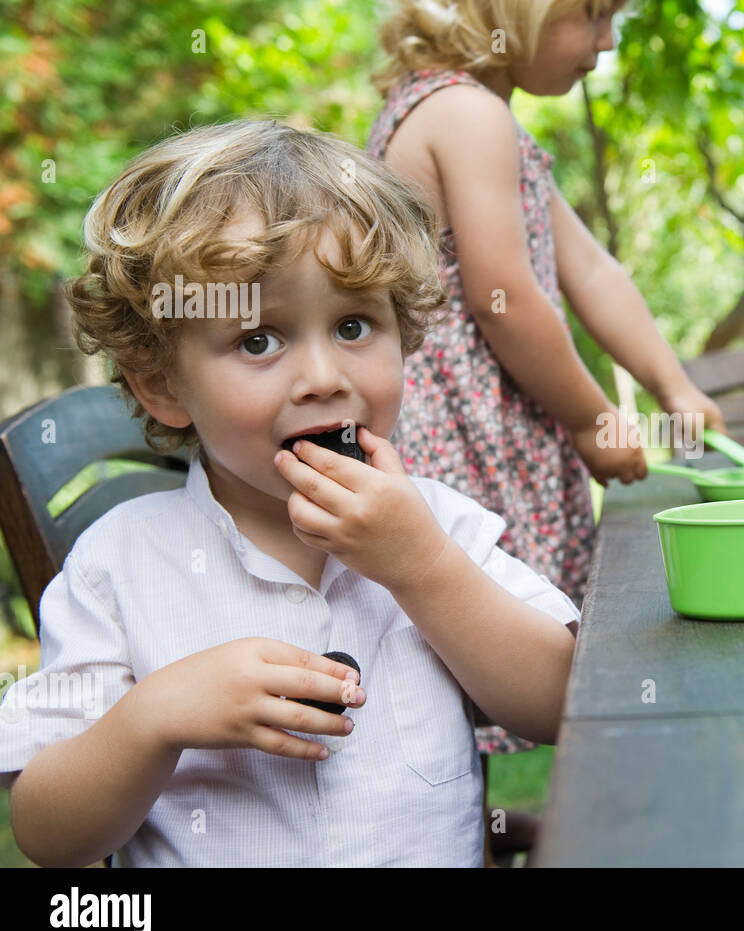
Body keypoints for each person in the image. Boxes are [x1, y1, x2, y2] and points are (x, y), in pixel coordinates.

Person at [0, 120, 580, 867]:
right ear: (162, 384)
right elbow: (47, 835)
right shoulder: (120, 565)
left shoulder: (435, 527)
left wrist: (422, 567)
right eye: (258, 340)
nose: (323, 377)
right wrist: (152, 717)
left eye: (353, 324)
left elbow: (561, 702)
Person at [365, 0, 723, 858]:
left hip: (483, 425)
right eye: (591, 16)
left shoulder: (474, 114)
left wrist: (671, 381)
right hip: (458, 433)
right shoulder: (466, 112)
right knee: (457, 646)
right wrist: (593, 416)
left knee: (458, 652)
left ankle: (474, 832)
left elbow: (589, 268)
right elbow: (506, 296)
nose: (604, 46)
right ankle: (459, 836)